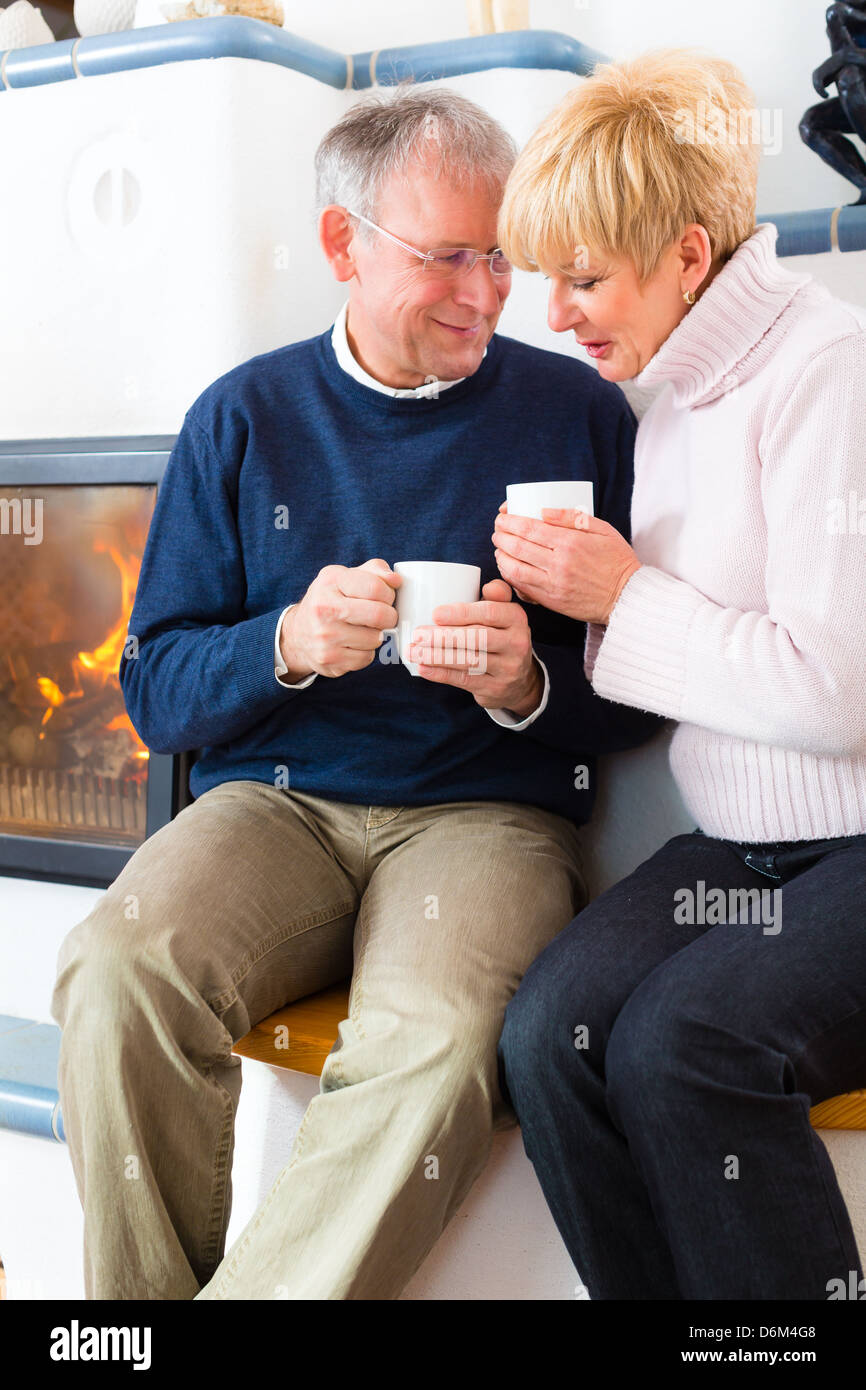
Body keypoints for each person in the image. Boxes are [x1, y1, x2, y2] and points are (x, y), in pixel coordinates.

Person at [49, 83, 661, 1301]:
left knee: (433, 1044)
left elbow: (643, 691)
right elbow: (157, 692)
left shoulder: (581, 415)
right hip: (275, 809)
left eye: (501, 256)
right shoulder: (242, 418)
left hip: (485, 817)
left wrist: (526, 681)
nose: (487, 293)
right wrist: (286, 639)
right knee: (114, 967)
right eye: (447, 258)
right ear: (344, 245)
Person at [494, 48, 866, 1300]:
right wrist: (530, 648)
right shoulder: (664, 410)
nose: (555, 312)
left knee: (678, 1046)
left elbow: (827, 689)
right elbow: (671, 676)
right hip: (743, 847)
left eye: (584, 277)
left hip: (858, 844)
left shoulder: (828, 373)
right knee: (549, 1035)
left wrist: (622, 597)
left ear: (689, 258)